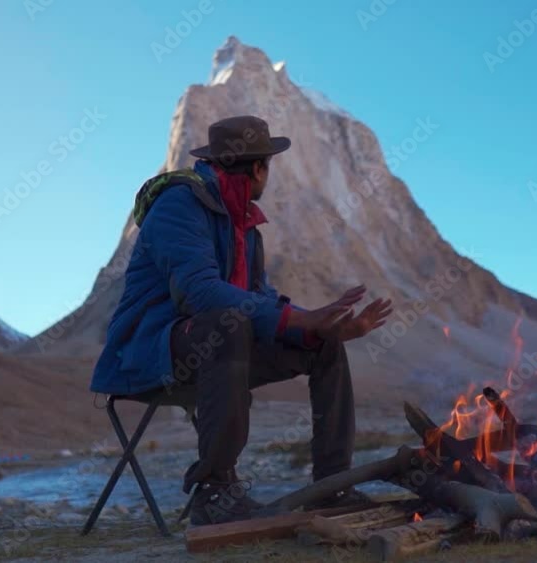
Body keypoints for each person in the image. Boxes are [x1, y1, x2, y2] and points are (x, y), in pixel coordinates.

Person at [90, 115, 393, 525]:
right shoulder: (179, 204)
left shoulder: (246, 227)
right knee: (226, 323)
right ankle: (214, 491)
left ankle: (332, 485)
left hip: (215, 353)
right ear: (258, 167)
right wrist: (300, 319)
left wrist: (315, 325)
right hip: (149, 353)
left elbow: (259, 298)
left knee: (323, 345)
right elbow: (201, 292)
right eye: (269, 164)